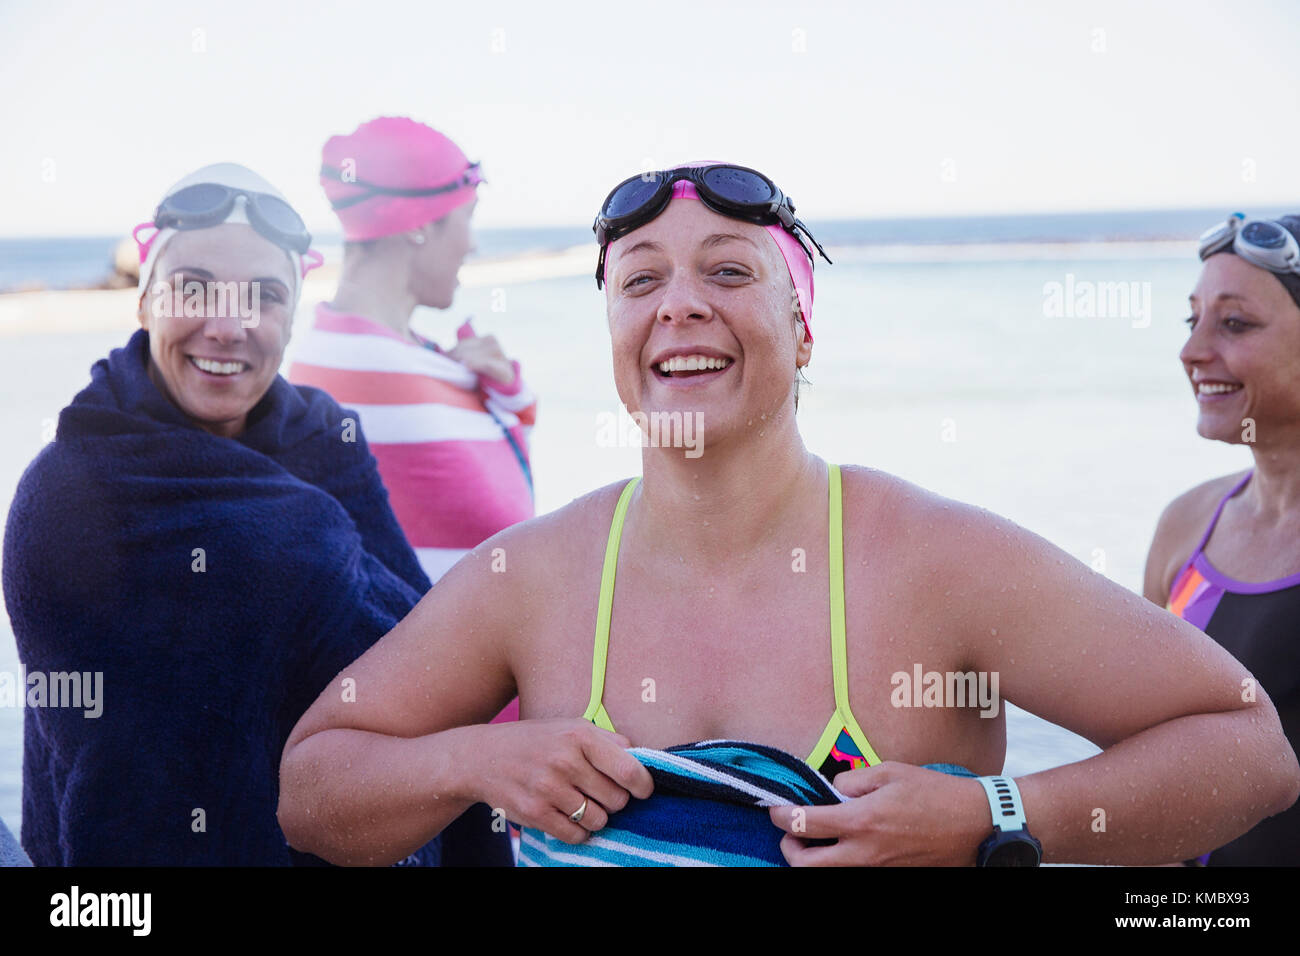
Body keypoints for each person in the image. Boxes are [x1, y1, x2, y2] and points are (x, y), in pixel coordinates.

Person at [278, 162, 1299, 867]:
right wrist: (472, 756)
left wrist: (996, 814)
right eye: (641, 281)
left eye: (728, 270)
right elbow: (315, 787)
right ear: (615, 333)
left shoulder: (935, 561)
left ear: (802, 330)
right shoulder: (535, 575)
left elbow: (1247, 750)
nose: (678, 303)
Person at [2, 162, 509, 866]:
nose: (228, 325)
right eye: (193, 288)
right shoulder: (69, 491)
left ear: (292, 316)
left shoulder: (327, 439)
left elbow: (429, 662)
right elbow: (134, 754)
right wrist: (312, 547)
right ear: (145, 301)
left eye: (264, 296)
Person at [289, 117, 535, 727]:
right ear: (421, 225)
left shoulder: (408, 356)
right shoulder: (353, 370)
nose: (472, 244)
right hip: (445, 755)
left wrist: (510, 393)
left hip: (484, 745)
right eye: (466, 218)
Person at [1143, 212, 1300, 866]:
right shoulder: (1186, 526)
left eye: (1234, 324)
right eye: (1193, 320)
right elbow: (1141, 763)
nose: (1192, 351)